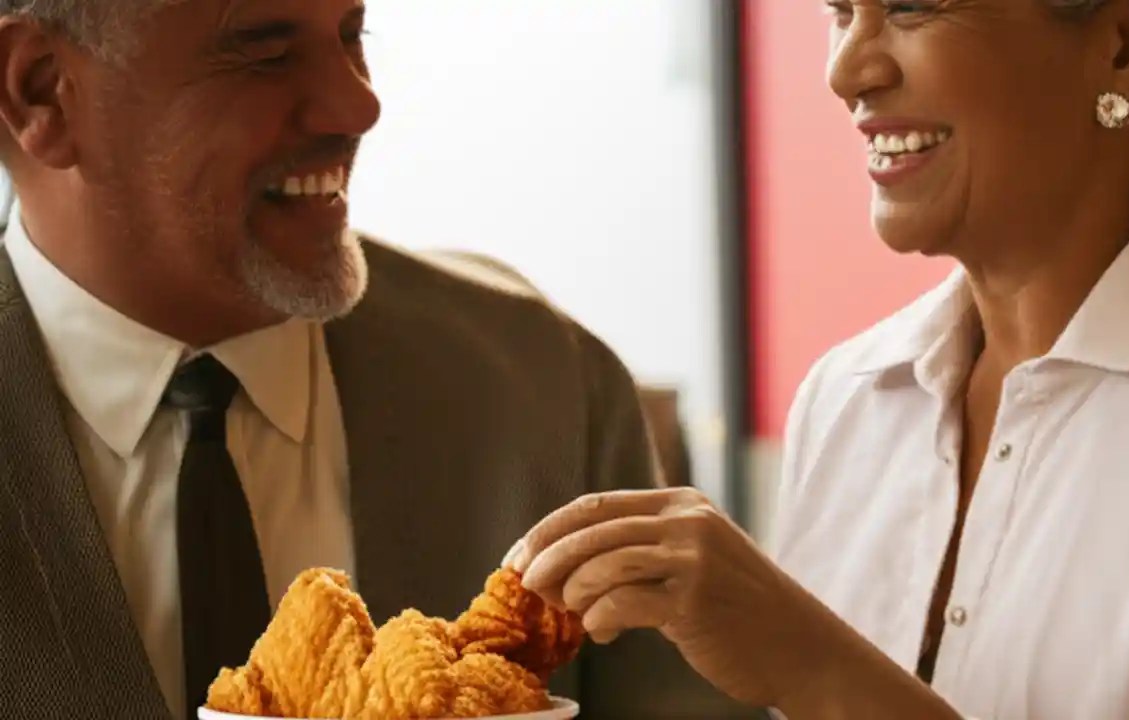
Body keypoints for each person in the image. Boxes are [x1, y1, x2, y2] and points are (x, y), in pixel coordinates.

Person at [508, 0, 1129, 718]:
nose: (846, 69)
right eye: (840, 10)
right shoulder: (849, 396)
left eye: (911, 5)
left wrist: (814, 668)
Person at [0, 1, 756, 718]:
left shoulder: (544, 384)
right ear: (40, 92)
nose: (358, 105)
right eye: (265, 52)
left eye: (353, 33)